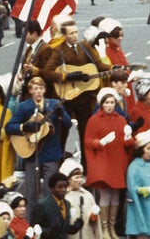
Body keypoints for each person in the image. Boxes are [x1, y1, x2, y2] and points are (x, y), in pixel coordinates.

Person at [44, 19, 111, 156]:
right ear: (64, 35)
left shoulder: (85, 47)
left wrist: (113, 68)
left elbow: (98, 65)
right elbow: (47, 72)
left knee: (86, 132)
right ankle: (60, 161)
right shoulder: (59, 51)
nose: (74, 36)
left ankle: (86, 165)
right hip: (67, 97)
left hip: (83, 97)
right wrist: (66, 77)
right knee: (63, 130)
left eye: (76, 32)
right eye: (71, 33)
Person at [4, 76, 70, 207]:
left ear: (45, 90)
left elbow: (68, 124)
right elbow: (9, 127)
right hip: (32, 154)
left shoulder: (53, 104)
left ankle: (49, 221)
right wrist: (24, 127)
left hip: (51, 154)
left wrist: (62, 112)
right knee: (31, 192)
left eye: (41, 88)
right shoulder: (24, 107)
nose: (39, 91)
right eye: (35, 89)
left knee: (50, 191)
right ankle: (30, 221)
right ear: (31, 91)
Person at [85, 88, 134, 239]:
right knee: (105, 195)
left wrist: (128, 137)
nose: (110, 105)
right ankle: (104, 227)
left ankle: (112, 227)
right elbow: (87, 141)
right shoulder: (94, 120)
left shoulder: (121, 120)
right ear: (101, 103)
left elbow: (128, 145)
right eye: (107, 102)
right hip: (103, 161)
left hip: (117, 161)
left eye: (112, 102)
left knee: (115, 197)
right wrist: (100, 142)